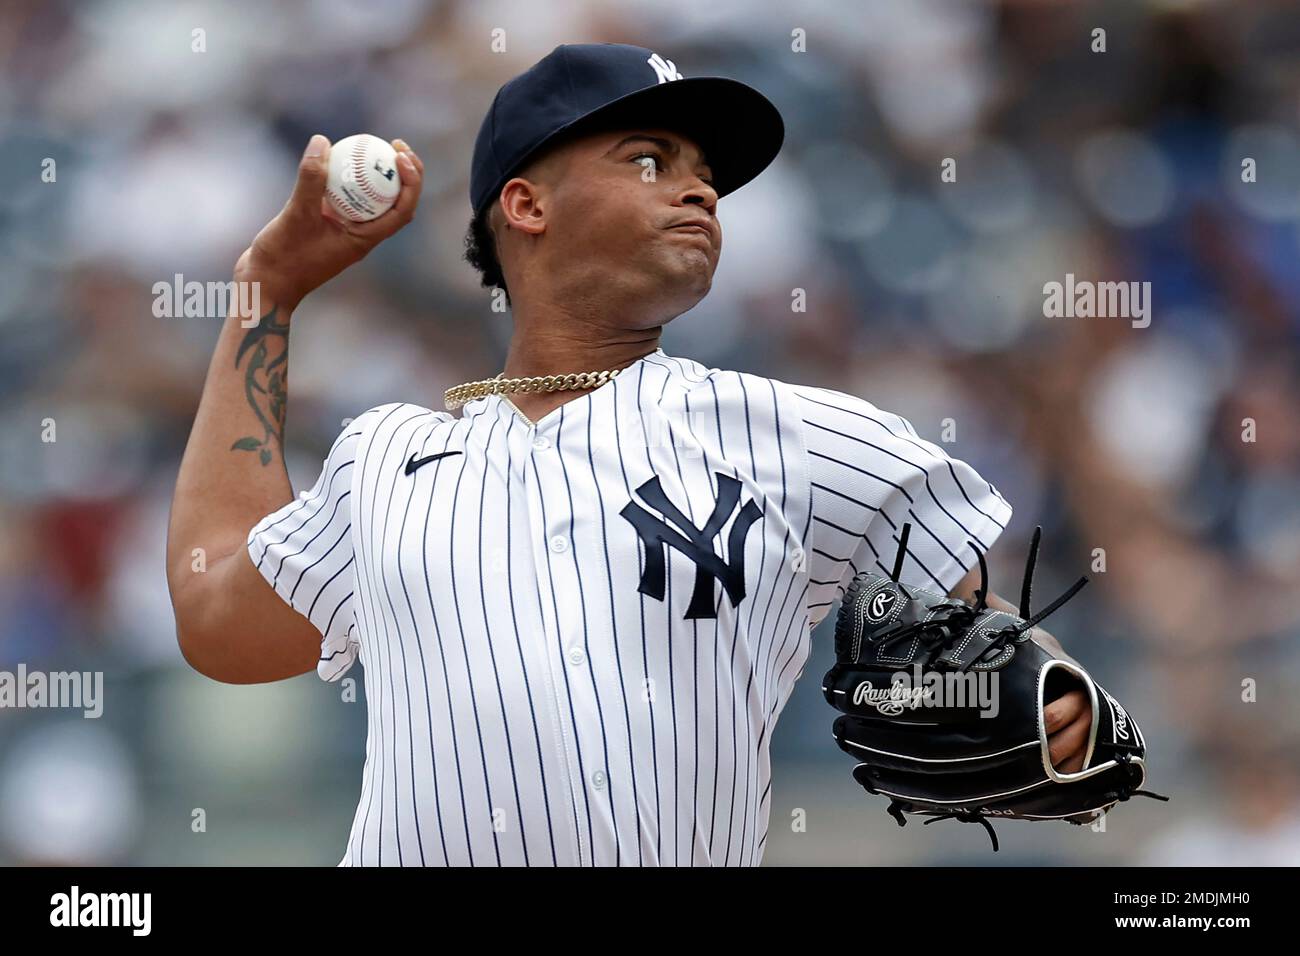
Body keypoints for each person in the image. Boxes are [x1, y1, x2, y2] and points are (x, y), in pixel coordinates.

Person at [166, 42, 1091, 866]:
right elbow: (216, 620)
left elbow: (999, 643)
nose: (698, 191)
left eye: (705, 176)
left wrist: (1056, 710)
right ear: (526, 204)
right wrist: (266, 291)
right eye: (650, 161)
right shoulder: (385, 458)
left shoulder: (801, 437)